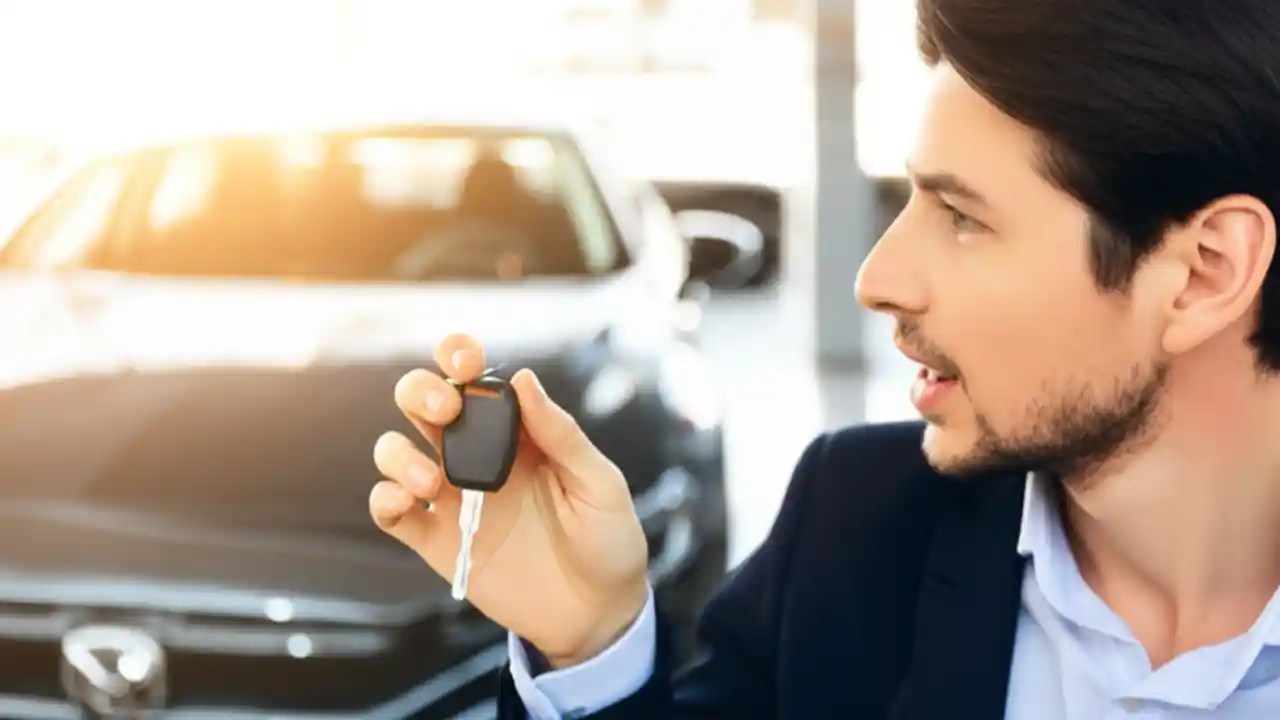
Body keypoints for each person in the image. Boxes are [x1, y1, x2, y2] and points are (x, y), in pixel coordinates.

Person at [368, 0, 1280, 716]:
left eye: (963, 218)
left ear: (1205, 272)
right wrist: (591, 645)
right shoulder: (854, 530)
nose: (877, 277)